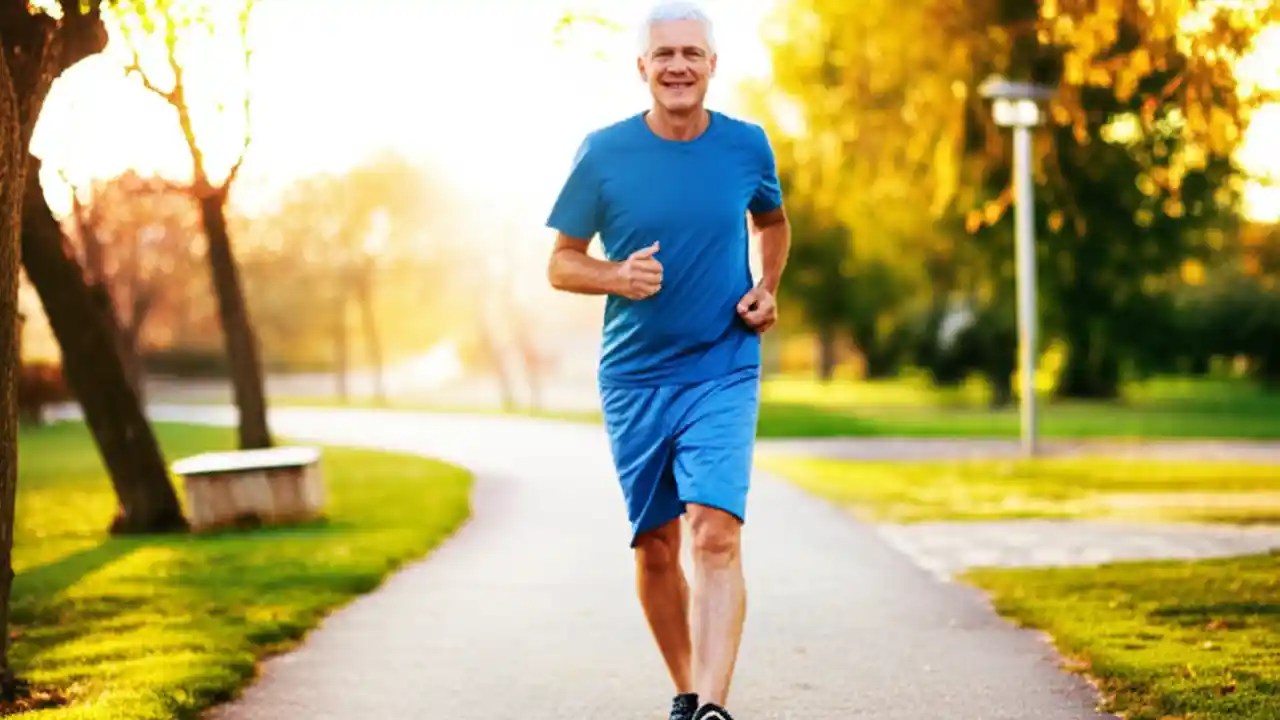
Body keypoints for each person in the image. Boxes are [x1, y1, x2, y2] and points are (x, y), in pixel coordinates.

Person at [543, 2, 791, 718]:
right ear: (642, 67)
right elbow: (560, 263)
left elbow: (771, 221)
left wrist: (766, 288)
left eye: (692, 53)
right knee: (656, 545)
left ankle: (713, 706)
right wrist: (616, 275)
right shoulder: (602, 152)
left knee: (715, 531)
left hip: (723, 363)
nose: (678, 65)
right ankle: (687, 688)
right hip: (634, 377)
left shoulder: (748, 146)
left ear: (714, 64)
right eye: (664, 54)